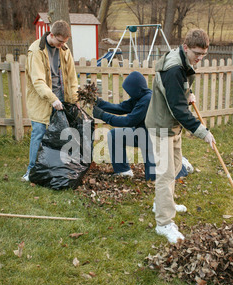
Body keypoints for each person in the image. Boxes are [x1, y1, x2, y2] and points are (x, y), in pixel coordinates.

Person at [145, 29, 216, 244]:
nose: (200, 58)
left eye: (204, 54)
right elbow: (177, 108)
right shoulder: (174, 68)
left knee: (176, 166)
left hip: (171, 126)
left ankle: (163, 201)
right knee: (166, 174)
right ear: (186, 47)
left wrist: (187, 93)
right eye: (197, 53)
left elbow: (175, 92)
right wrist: (202, 131)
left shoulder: (183, 61)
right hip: (162, 125)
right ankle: (164, 222)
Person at [92, 71, 194, 182]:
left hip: (153, 142)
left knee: (153, 178)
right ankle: (123, 171)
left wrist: (103, 115)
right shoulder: (139, 97)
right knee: (114, 135)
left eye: (130, 91)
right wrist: (100, 103)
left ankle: (182, 165)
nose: (129, 94)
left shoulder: (147, 100)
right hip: (141, 135)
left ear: (137, 89)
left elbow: (128, 121)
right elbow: (121, 108)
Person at [22, 20, 79, 181]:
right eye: (60, 41)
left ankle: (54, 168)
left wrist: (75, 99)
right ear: (51, 35)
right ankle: (31, 171)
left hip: (61, 98)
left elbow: (72, 78)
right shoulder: (36, 51)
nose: (62, 45)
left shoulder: (65, 50)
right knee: (39, 132)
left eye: (65, 42)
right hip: (42, 99)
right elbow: (38, 81)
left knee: (61, 134)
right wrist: (52, 99)